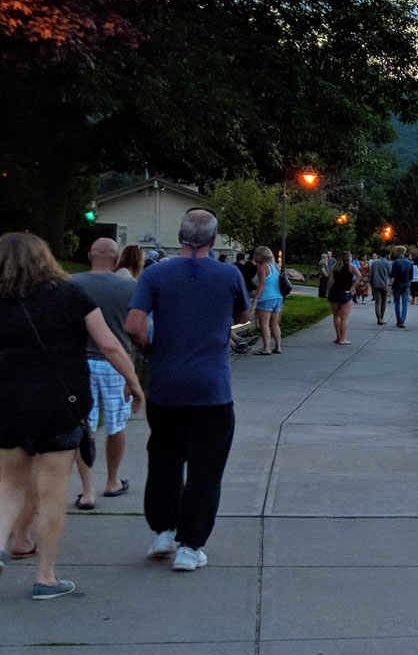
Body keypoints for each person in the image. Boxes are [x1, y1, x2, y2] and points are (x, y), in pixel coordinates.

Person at [0, 232, 143, 599]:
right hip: (61, 405)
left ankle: (3, 544)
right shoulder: (71, 294)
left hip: (9, 406)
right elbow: (109, 343)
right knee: (52, 493)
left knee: (9, 485)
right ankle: (45, 577)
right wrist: (133, 381)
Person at [124, 209, 248, 572]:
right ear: (213, 239)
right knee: (206, 468)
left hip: (166, 385)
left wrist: (150, 349)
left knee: (164, 458)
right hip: (212, 387)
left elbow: (133, 324)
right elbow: (241, 313)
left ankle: (163, 530)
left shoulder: (156, 273)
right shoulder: (228, 274)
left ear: (180, 237)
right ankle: (191, 547)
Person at [71, 238, 139, 508]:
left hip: (79, 362)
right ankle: (112, 481)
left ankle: (87, 490)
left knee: (83, 426)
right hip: (116, 362)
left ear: (89, 255)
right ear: (116, 258)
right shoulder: (130, 287)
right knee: (116, 424)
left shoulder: (70, 284)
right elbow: (136, 328)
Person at [250, 246, 284, 355]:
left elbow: (262, 284)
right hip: (277, 297)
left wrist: (256, 298)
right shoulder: (275, 266)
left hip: (266, 298)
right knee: (275, 324)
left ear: (260, 256)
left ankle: (267, 348)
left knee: (264, 324)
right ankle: (278, 346)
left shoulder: (262, 267)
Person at [327, 248, 360, 344]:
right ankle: (343, 338)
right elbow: (359, 275)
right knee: (344, 317)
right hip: (345, 292)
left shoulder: (335, 267)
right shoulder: (351, 267)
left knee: (336, 315)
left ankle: (337, 337)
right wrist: (353, 286)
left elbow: (330, 281)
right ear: (349, 258)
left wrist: (327, 292)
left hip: (334, 292)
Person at [390, 245, 413, 328]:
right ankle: (403, 320)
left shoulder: (395, 263)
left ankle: (398, 319)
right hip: (406, 285)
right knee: (404, 304)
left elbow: (393, 276)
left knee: (397, 303)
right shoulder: (410, 263)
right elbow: (411, 277)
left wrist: (390, 286)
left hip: (397, 285)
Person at [368, 250, 391, 325]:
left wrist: (371, 283)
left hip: (376, 284)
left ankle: (378, 319)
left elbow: (371, 274)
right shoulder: (388, 263)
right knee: (383, 303)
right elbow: (390, 274)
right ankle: (382, 318)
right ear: (387, 255)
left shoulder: (374, 263)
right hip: (384, 284)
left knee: (377, 302)